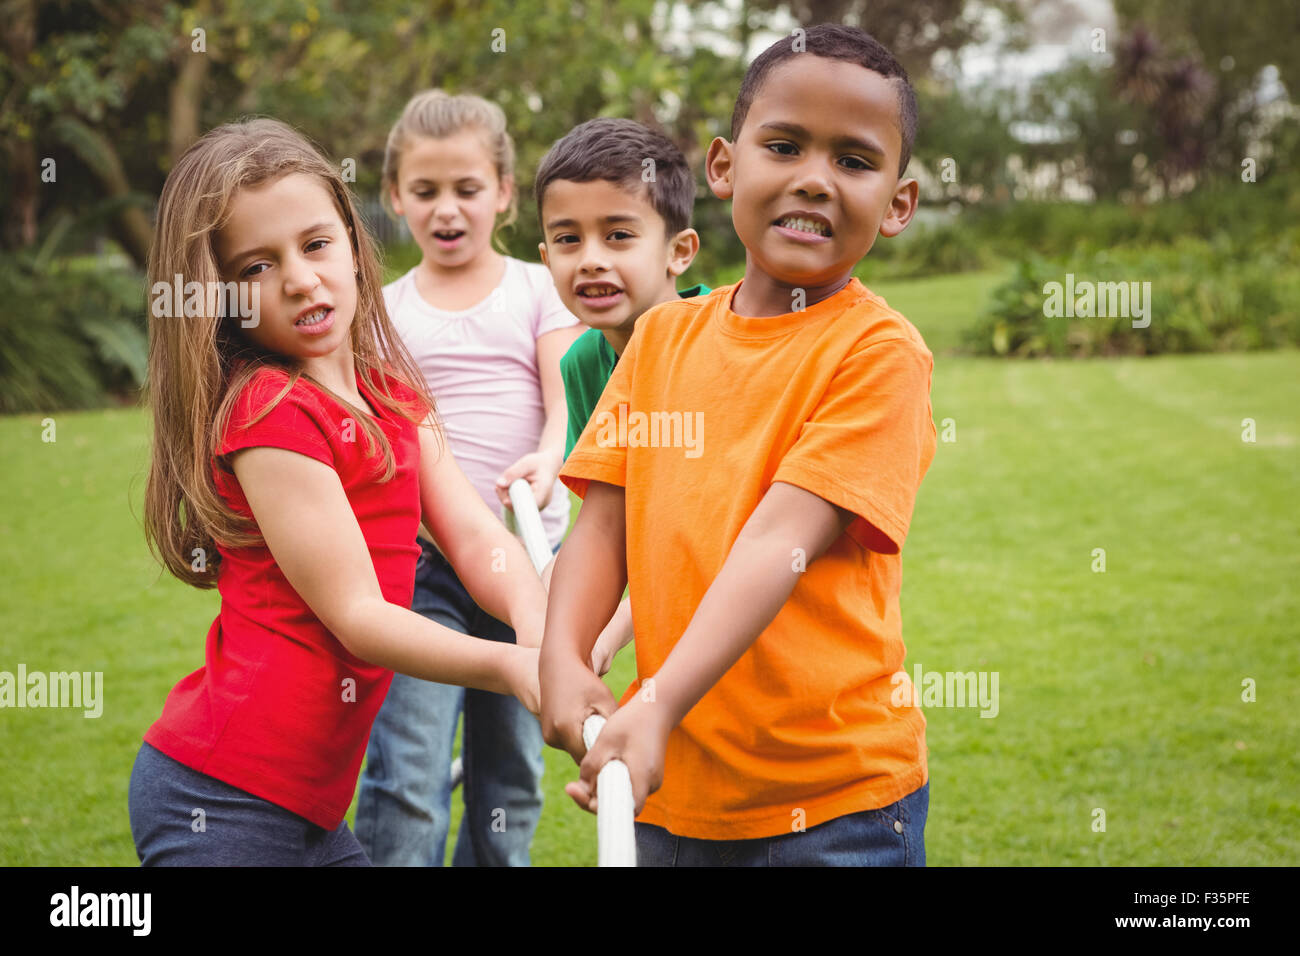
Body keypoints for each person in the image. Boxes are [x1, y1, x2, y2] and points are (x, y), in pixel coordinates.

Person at [540, 24, 937, 866]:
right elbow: (601, 528)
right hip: (670, 788)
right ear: (725, 166)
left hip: (835, 805)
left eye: (855, 162)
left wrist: (655, 702)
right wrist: (563, 658)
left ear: (898, 204)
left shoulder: (878, 353)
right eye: (785, 145)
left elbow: (779, 541)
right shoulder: (658, 342)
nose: (815, 180)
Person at [130, 117, 547, 866]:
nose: (298, 278)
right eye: (256, 267)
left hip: (309, 814)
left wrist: (539, 625)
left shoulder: (392, 396)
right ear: (217, 295)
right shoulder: (267, 412)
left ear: (354, 245)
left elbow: (478, 536)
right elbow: (360, 615)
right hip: (222, 800)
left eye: (316, 244)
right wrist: (511, 667)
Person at [354, 90, 582, 867]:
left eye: (467, 189)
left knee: (511, 775)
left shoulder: (537, 290)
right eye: (425, 192)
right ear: (395, 198)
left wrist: (550, 459)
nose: (446, 210)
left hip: (527, 571)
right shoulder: (381, 314)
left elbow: (563, 407)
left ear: (505, 194)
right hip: (421, 570)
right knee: (409, 772)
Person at [532, 117, 708, 675]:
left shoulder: (720, 343)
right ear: (546, 259)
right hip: (670, 646)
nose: (589, 258)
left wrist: (606, 633)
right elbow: (614, 529)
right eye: (567, 239)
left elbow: (712, 537)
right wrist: (575, 621)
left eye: (618, 235)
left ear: (678, 251)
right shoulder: (583, 365)